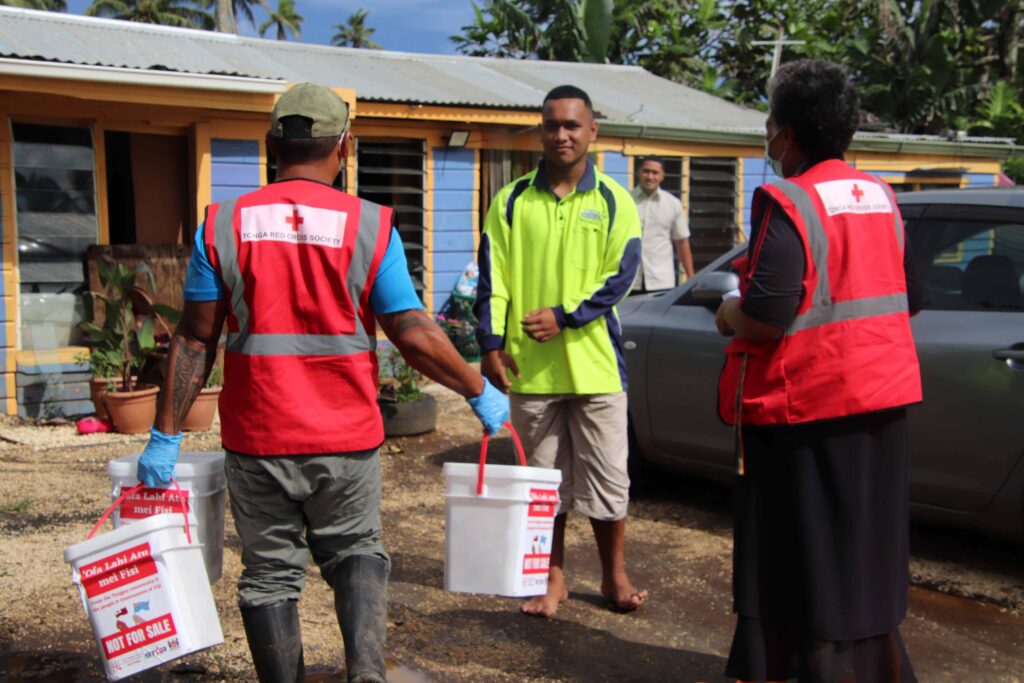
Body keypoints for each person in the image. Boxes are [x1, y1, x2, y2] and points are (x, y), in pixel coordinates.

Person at [135, 82, 509, 683]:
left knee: (269, 574)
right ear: (345, 145)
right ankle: (366, 674)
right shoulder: (371, 225)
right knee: (357, 550)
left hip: (258, 438)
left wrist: (165, 434)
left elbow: (195, 338)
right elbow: (411, 330)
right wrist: (476, 389)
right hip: (346, 437)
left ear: (271, 145)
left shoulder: (221, 226)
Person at [715, 60, 922, 683]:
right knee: (862, 547)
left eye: (771, 123)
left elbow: (769, 313)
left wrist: (728, 312)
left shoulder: (789, 199)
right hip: (880, 400)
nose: (769, 136)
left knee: (796, 553)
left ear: (789, 132)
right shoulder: (880, 195)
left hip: (807, 405)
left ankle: (807, 667)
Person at [475, 84, 647, 618]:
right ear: (540, 131)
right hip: (530, 370)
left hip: (596, 367)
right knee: (541, 486)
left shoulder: (615, 201)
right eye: (552, 124)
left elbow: (621, 277)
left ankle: (614, 574)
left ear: (592, 131)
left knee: (608, 478)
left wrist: (564, 315)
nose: (562, 134)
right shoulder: (510, 201)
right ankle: (551, 577)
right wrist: (490, 344)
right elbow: (492, 277)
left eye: (573, 125)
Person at [631, 157, 694, 292]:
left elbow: (682, 241)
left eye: (655, 173)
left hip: (661, 280)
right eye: (646, 171)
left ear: (662, 176)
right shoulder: (625, 200)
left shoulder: (672, 204)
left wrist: (691, 278)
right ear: (638, 172)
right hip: (628, 279)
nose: (650, 176)